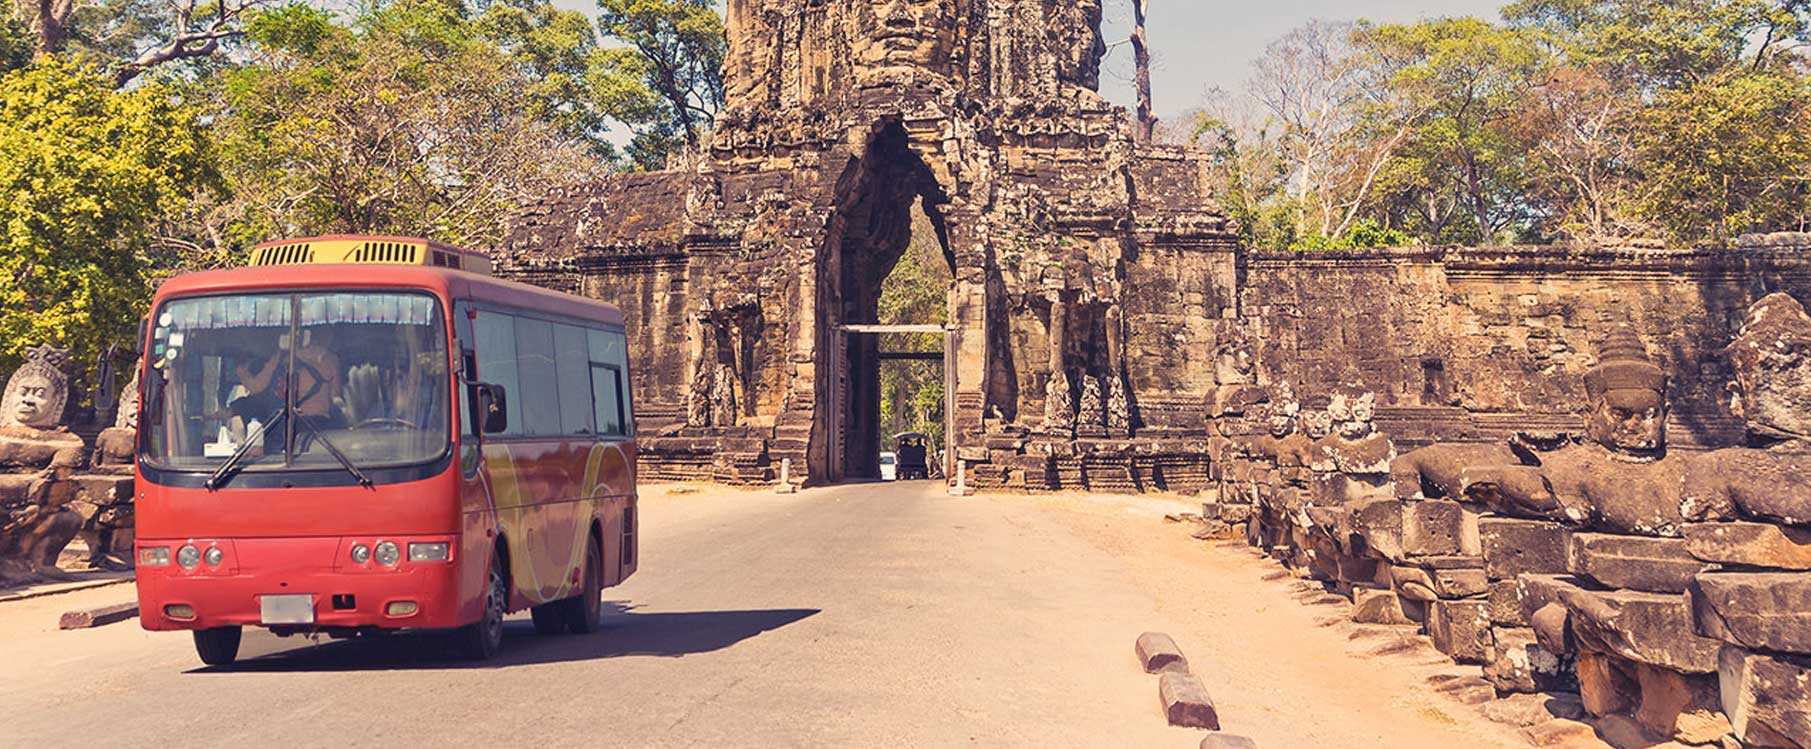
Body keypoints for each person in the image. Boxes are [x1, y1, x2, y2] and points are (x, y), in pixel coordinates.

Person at [230, 329, 343, 452]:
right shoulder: (331, 360)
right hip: (321, 431)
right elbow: (336, 395)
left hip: (290, 430)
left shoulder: (282, 357)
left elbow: (256, 387)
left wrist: (242, 373)